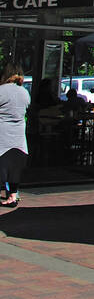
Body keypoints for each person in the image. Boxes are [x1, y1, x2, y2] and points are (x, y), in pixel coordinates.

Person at [0, 65, 30, 207]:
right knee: (14, 169)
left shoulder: (1, 91)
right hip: (19, 138)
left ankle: (11, 195)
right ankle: (13, 195)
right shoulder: (24, 92)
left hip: (3, 136)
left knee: (3, 168)